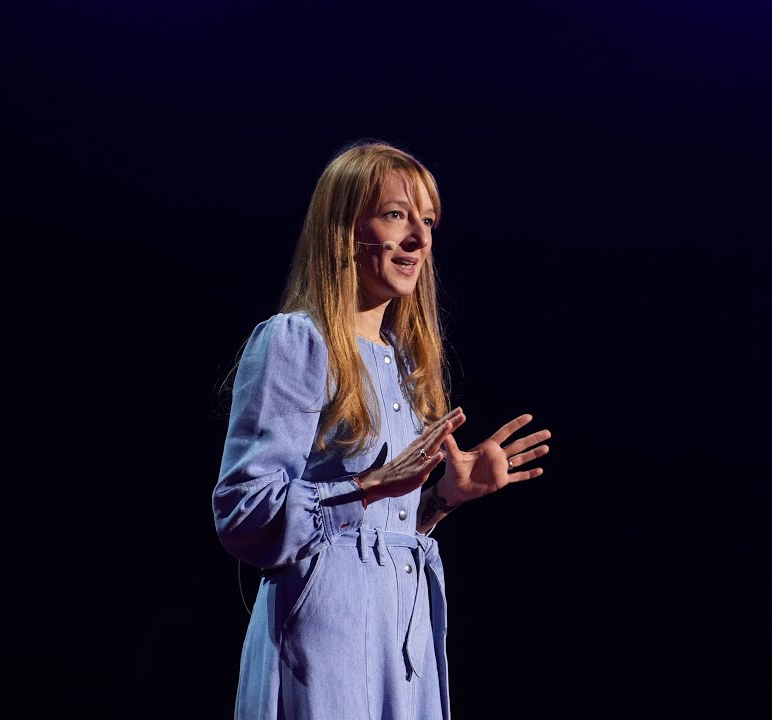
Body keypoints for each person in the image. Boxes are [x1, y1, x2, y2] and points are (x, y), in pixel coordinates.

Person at [212, 139, 551, 720]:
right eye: (397, 215)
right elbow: (245, 514)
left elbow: (377, 519)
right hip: (327, 630)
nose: (420, 240)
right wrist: (369, 484)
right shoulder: (298, 341)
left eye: (427, 221)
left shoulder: (403, 360)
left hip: (403, 622)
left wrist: (444, 496)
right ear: (344, 228)